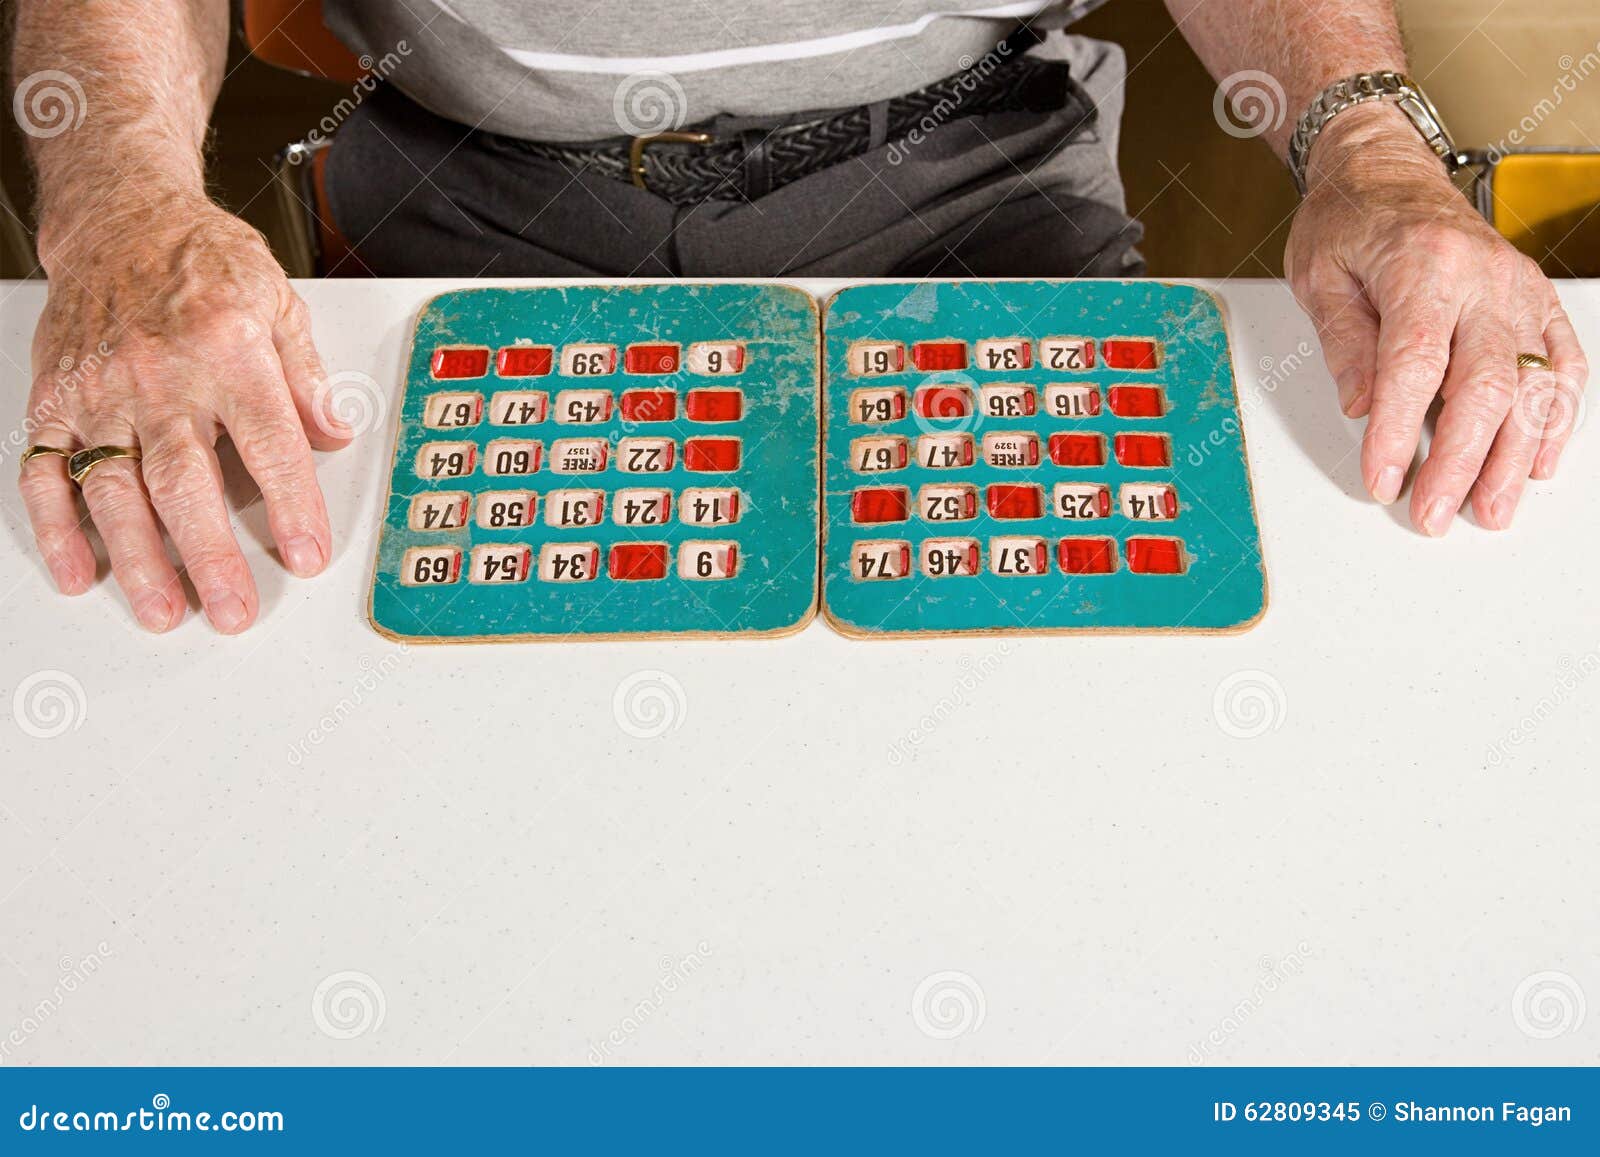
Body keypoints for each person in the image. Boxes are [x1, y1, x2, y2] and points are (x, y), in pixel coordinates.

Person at [9, 0, 1587, 634]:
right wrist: (120, 199)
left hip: (972, 177)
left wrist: (1375, 153)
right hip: (463, 192)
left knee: (1079, 723)